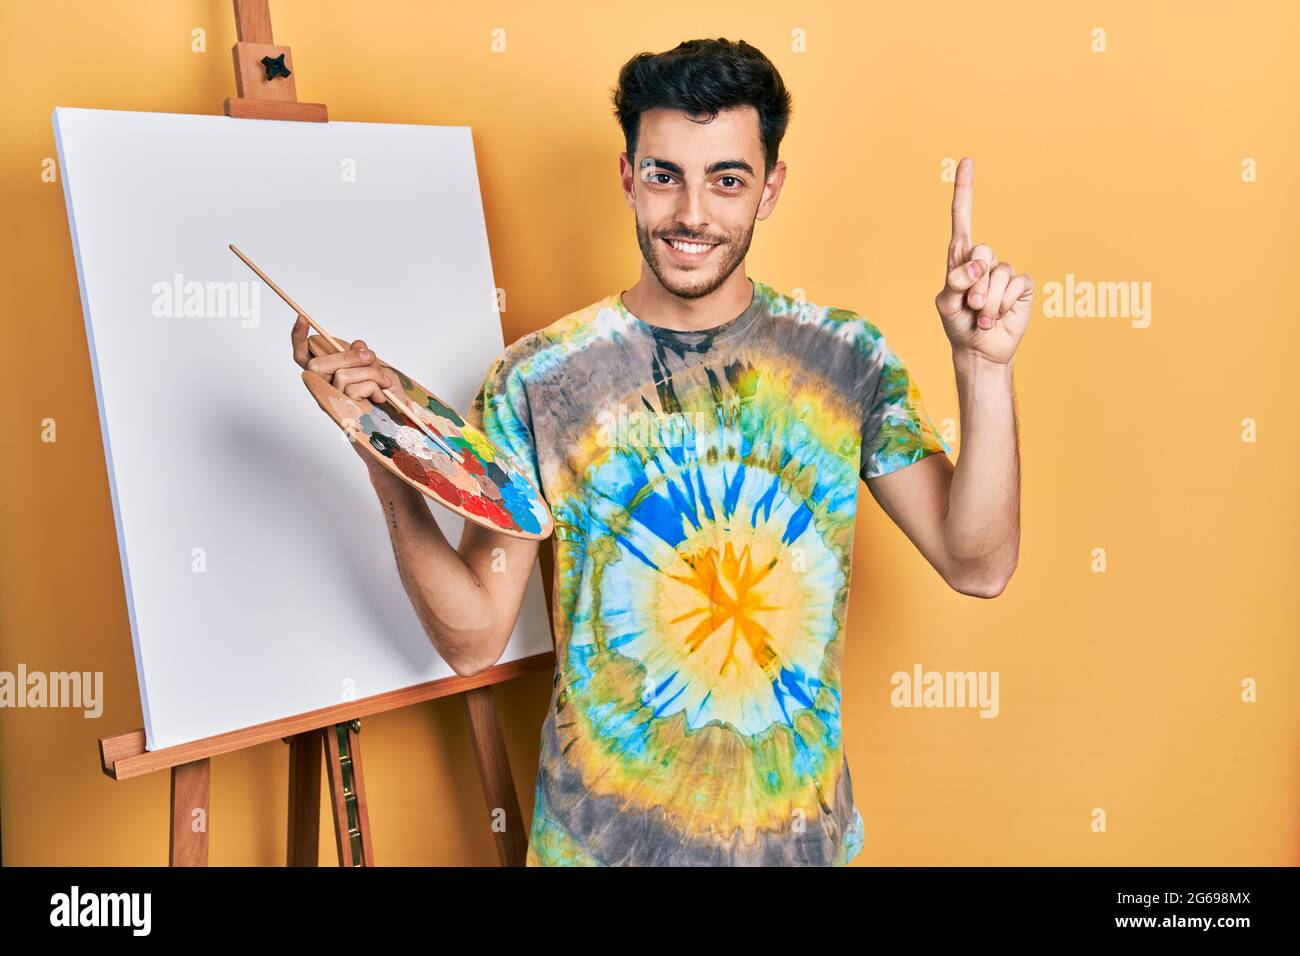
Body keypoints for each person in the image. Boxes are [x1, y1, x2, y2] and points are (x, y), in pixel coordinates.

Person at [291, 37, 1029, 866]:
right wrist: (380, 453)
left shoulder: (844, 359)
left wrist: (982, 366)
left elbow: (979, 565)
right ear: (627, 176)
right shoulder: (542, 380)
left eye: (727, 179)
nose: (691, 214)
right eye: (663, 174)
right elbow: (472, 638)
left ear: (770, 188)